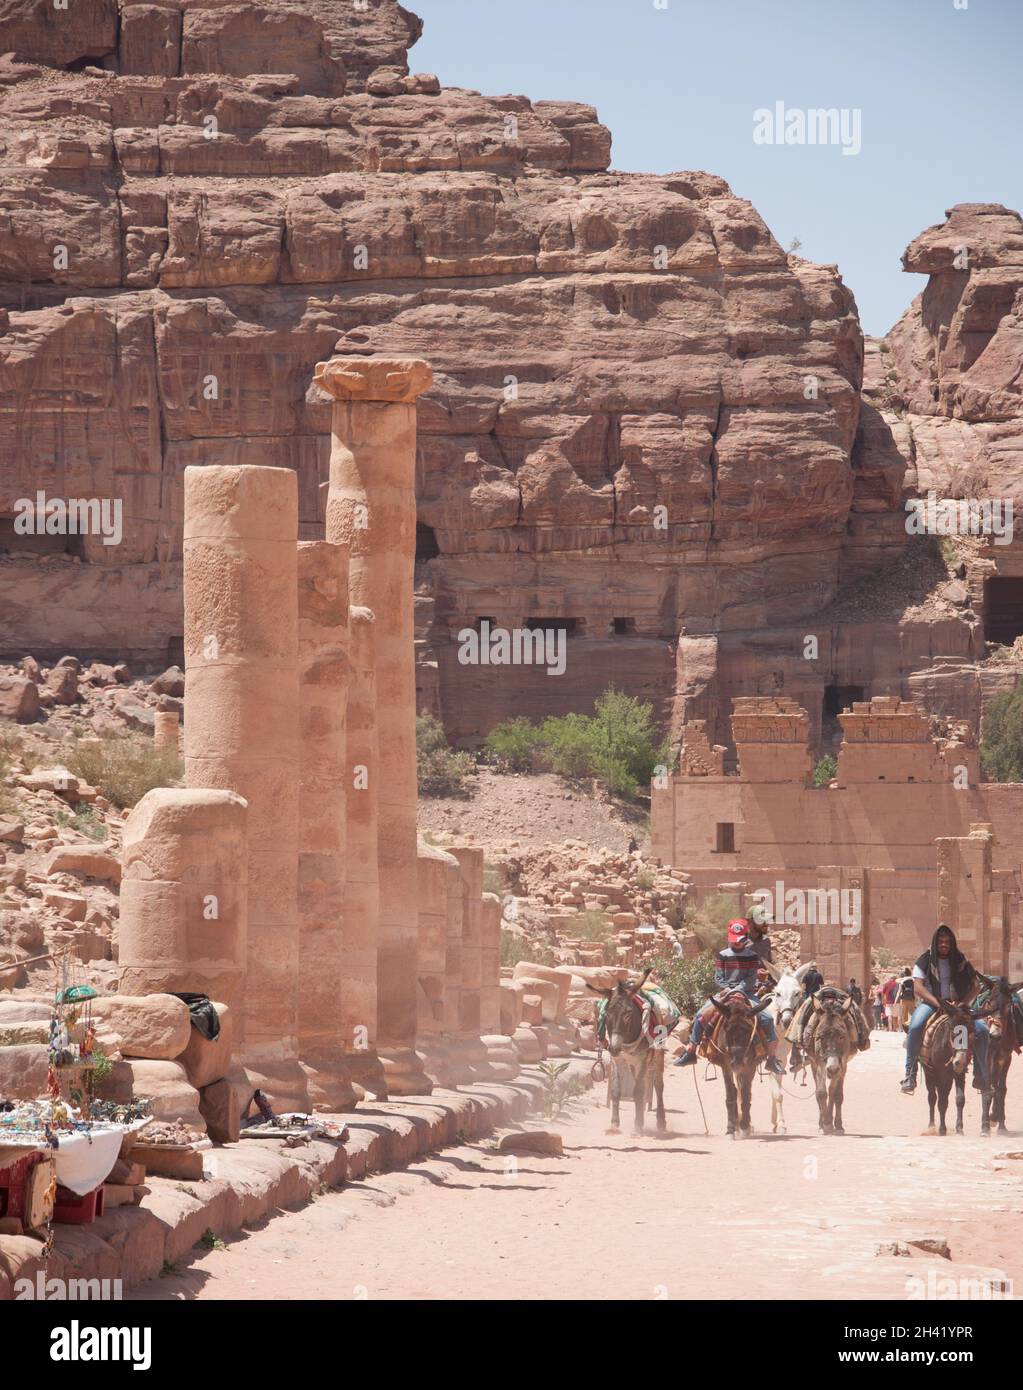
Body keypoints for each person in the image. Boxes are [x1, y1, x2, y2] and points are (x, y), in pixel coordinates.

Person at [675, 920, 785, 1074]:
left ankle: (772, 1059)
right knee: (700, 1015)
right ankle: (691, 1051)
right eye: (734, 940)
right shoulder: (722, 955)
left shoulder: (752, 956)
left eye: (739, 940)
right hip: (725, 993)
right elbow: (718, 978)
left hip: (747, 993)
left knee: (767, 1019)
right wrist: (729, 989)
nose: (736, 944)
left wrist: (738, 989)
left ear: (745, 937)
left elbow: (751, 978)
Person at [900, 924, 988, 1094]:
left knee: (982, 1031)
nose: (944, 945)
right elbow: (918, 988)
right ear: (935, 942)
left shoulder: (960, 959)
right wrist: (938, 1003)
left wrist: (962, 1003)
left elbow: (976, 985)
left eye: (947, 941)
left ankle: (981, 1075)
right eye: (941, 941)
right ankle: (910, 1073)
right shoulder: (924, 960)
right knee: (916, 1026)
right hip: (932, 1004)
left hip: (957, 1006)